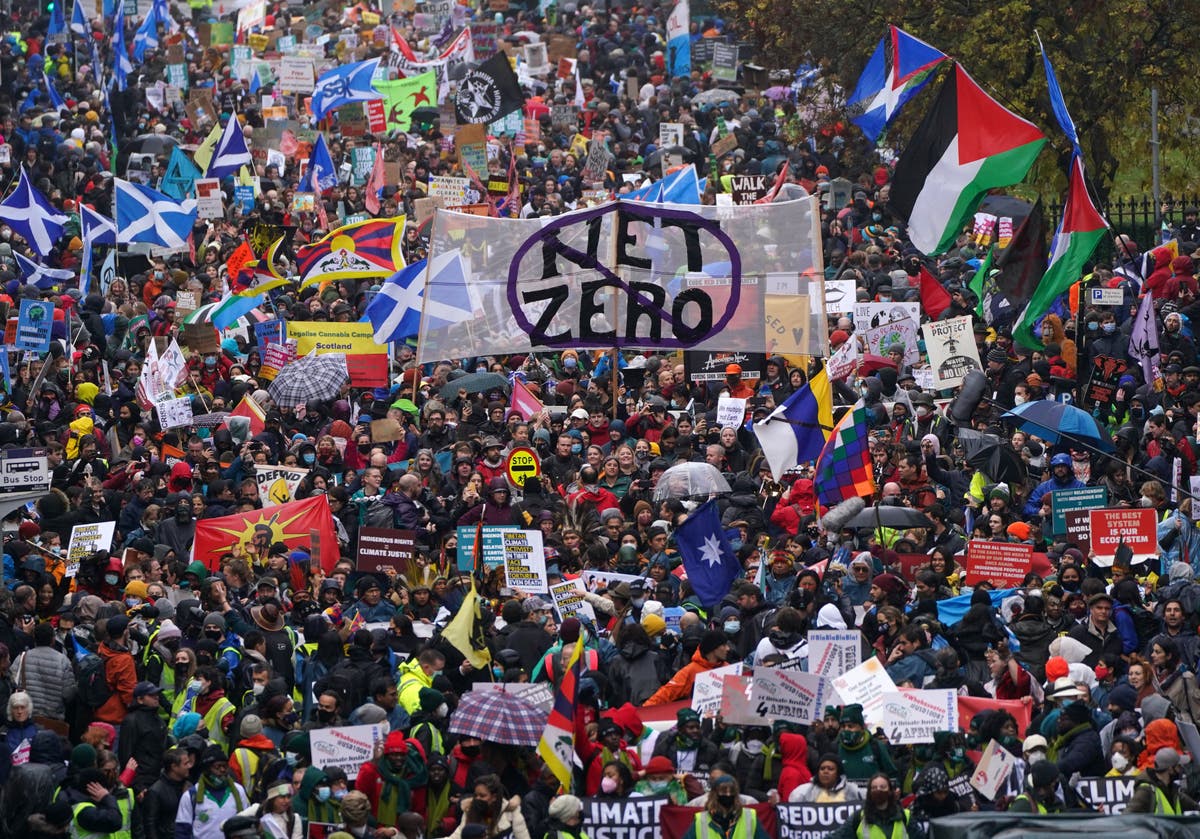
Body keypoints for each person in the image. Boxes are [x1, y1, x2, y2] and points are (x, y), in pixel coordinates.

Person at [175, 745, 249, 839]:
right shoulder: (191, 795)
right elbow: (182, 829)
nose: (222, 770)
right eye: (217, 767)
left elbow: (246, 823)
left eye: (225, 766)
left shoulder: (238, 790)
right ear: (206, 769)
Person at [680, 776, 769, 839]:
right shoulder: (701, 820)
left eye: (732, 791)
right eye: (723, 791)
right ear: (714, 794)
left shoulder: (750, 817)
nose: (728, 795)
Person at [830, 774, 911, 839]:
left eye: (882, 787)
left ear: (890, 791)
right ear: (869, 792)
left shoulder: (905, 816)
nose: (878, 790)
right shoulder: (858, 818)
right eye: (874, 788)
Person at [1127, 747, 1197, 814]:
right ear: (1170, 769)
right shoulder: (1146, 790)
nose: (1180, 769)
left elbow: (1195, 807)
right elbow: (1127, 817)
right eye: (1178, 766)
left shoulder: (1173, 790)